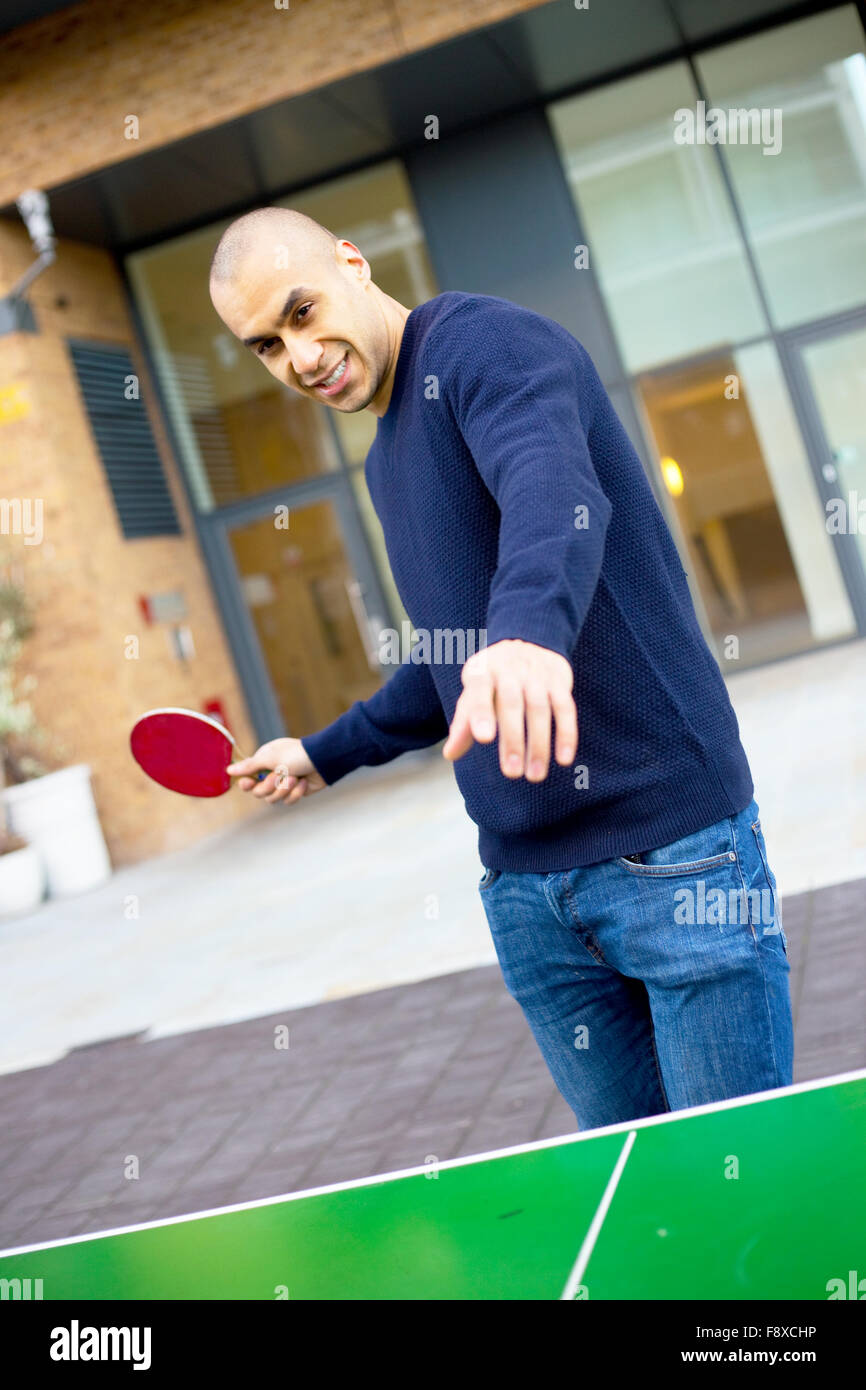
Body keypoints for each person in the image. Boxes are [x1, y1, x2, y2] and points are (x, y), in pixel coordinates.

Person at [209, 206, 793, 1131]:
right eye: (267, 346)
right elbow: (451, 660)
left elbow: (552, 491)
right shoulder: (386, 456)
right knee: (642, 1201)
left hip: (675, 855)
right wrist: (324, 753)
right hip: (529, 900)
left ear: (354, 264)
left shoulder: (490, 346)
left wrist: (526, 634)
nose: (302, 355)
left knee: (742, 1193)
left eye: (303, 310)